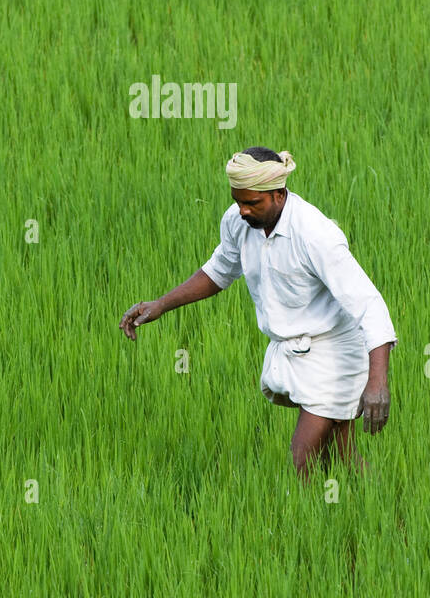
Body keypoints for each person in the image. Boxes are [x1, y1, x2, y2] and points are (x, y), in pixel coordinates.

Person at [119, 147, 397, 484]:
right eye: (238, 201)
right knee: (341, 453)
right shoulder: (239, 222)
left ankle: (307, 524)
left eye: (253, 203)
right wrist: (161, 304)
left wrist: (377, 382)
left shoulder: (315, 234)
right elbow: (218, 272)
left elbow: (369, 304)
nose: (243, 210)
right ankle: (372, 510)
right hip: (295, 349)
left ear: (279, 194)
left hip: (335, 352)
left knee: (303, 456)